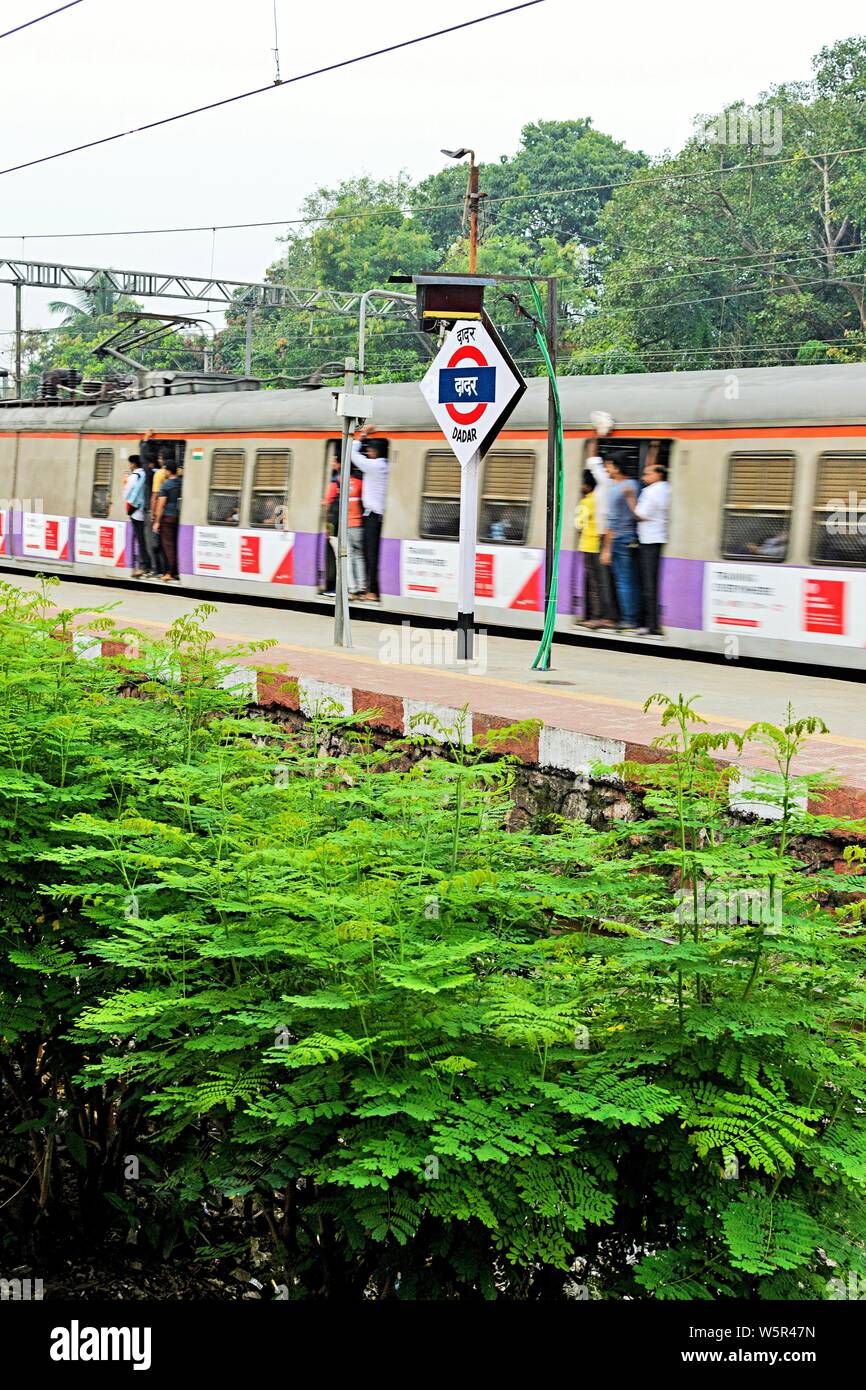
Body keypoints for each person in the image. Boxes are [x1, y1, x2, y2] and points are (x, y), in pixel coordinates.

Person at [627, 448, 671, 637]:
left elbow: (640, 515)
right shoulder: (666, 488)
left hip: (648, 542)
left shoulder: (651, 492)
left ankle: (649, 625)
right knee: (651, 583)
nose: (644, 476)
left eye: (648, 473)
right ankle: (651, 623)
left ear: (658, 475)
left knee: (648, 585)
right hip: (658, 538)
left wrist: (629, 499)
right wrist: (653, 447)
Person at [601, 457, 640, 631]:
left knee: (623, 581)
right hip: (631, 537)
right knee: (631, 580)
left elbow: (612, 523)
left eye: (608, 466)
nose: (606, 469)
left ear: (616, 468)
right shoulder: (635, 485)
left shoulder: (615, 490)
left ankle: (628, 619)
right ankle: (634, 617)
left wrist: (606, 549)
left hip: (618, 539)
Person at [583, 432, 618, 625]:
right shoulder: (607, 485)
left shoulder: (604, 483)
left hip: (600, 536)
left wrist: (595, 435)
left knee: (600, 579)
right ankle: (605, 615)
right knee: (602, 578)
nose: (605, 468)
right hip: (603, 535)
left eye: (607, 466)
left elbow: (592, 460)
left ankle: (606, 616)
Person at [351, 426, 389, 604]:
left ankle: (372, 591)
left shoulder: (374, 466)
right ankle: (371, 588)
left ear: (375, 452)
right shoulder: (384, 466)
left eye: (370, 450)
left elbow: (352, 455)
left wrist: (362, 436)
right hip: (378, 515)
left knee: (370, 554)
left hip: (372, 516)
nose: (368, 453)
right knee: (371, 553)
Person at [574, 470, 605, 627]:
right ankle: (594, 615)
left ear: (586, 486)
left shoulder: (585, 503)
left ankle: (594, 617)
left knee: (592, 584)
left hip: (588, 545)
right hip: (599, 545)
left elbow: (578, 525)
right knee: (597, 583)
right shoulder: (599, 500)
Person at [153, 459, 182, 582]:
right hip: (178, 516)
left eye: (165, 469)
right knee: (175, 544)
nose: (163, 471)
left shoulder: (166, 486)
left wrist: (157, 521)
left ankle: (169, 572)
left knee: (168, 545)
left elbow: (160, 504)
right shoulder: (181, 483)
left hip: (167, 517)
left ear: (169, 471)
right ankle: (175, 571)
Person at [123, 454, 148, 579]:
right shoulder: (144, 474)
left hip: (135, 511)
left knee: (139, 539)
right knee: (142, 538)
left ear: (133, 464)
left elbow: (126, 494)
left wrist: (125, 483)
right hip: (143, 510)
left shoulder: (134, 477)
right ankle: (142, 564)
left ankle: (141, 565)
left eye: (130, 463)